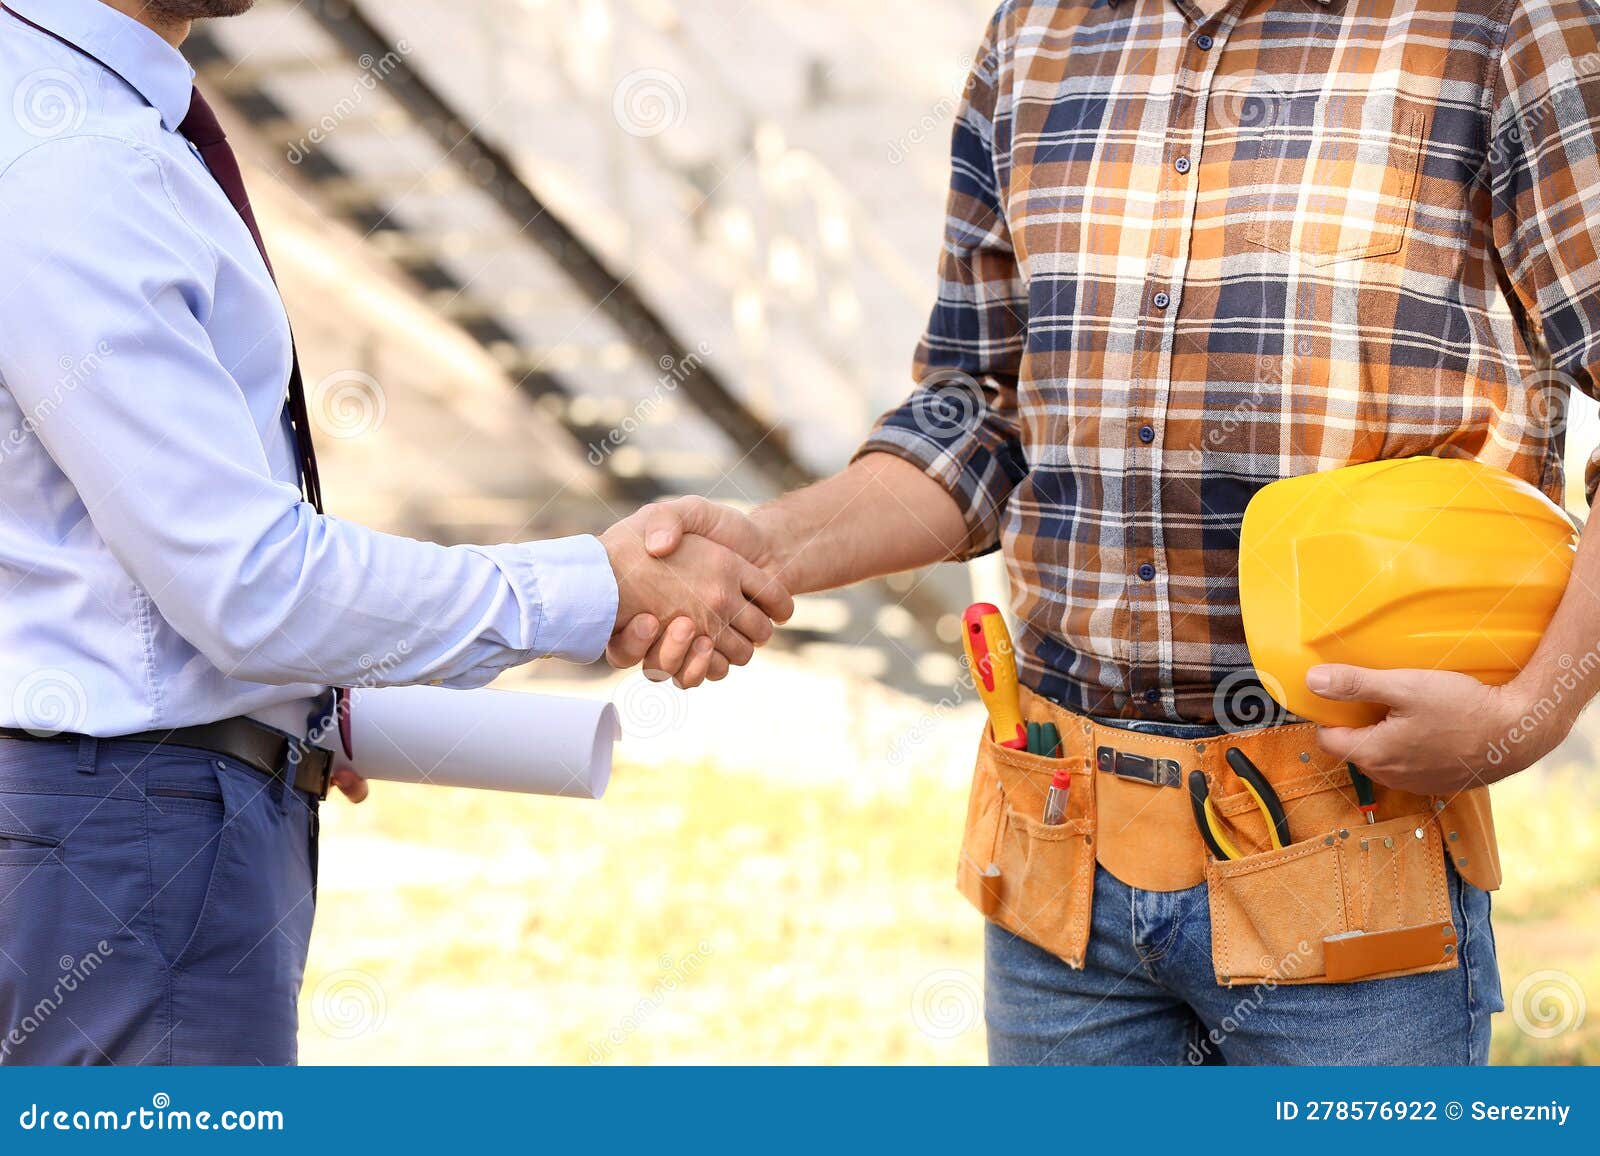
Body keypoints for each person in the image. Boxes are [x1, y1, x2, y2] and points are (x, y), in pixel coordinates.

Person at [618, 0, 1600, 1064]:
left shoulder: (1499, 26)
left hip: (1355, 865)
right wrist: (762, 550)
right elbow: (978, 411)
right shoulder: (1034, 33)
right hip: (1062, 872)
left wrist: (1528, 712)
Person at [0, 0, 787, 1065]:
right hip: (136, 846)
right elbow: (250, 588)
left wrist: (298, 698)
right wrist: (598, 587)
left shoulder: (71, 115)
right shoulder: (79, 160)